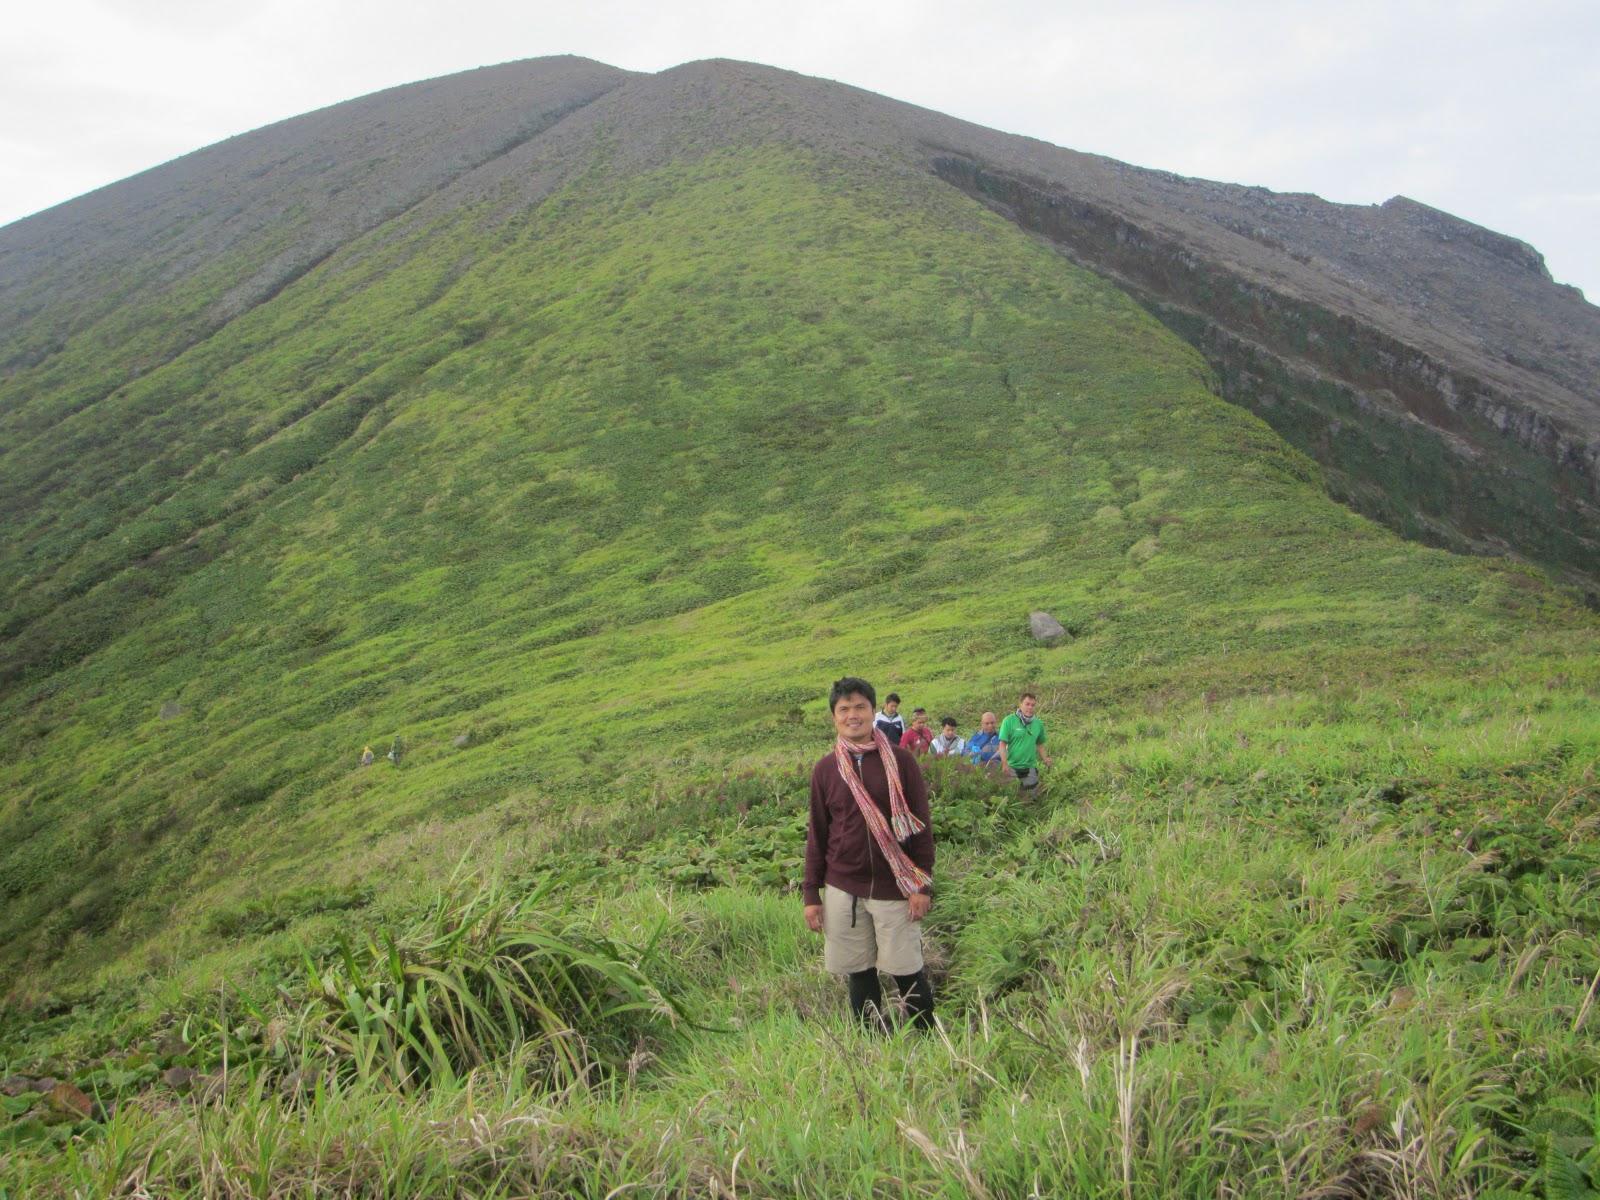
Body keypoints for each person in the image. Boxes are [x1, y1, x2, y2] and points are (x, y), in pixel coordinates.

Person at [805, 676, 936, 1031]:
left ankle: (927, 1041)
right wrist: (811, 895)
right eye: (843, 709)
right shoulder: (825, 770)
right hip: (843, 888)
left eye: (860, 707)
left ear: (874, 712)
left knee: (907, 971)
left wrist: (920, 886)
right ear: (834, 717)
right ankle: (872, 1042)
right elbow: (818, 834)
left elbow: (922, 827)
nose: (852, 715)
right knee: (859, 973)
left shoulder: (902, 761)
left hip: (896, 885)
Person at [998, 691, 1052, 789]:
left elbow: (1040, 744)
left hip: (1030, 767)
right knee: (1012, 797)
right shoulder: (1009, 721)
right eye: (1027, 704)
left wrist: (1045, 759)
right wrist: (1004, 764)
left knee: (1031, 799)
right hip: (1012, 767)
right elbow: (1002, 744)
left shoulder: (1038, 724)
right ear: (1020, 705)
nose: (1030, 707)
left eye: (1033, 705)